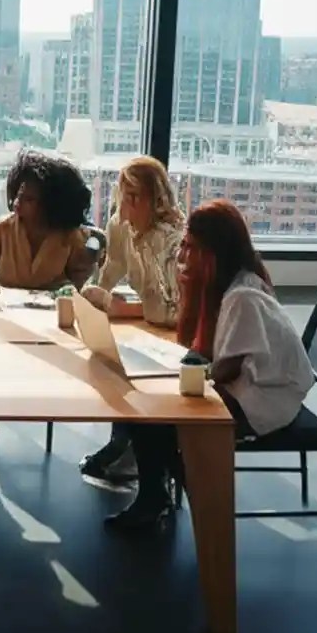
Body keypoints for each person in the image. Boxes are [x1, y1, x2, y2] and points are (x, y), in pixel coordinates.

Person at [104, 200, 314, 531]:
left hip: (264, 401)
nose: (183, 258)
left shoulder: (242, 297)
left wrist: (176, 380)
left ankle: (188, 502)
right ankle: (168, 491)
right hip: (250, 386)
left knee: (153, 414)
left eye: (192, 249)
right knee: (152, 406)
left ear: (216, 253)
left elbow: (226, 370)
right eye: (183, 247)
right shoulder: (229, 286)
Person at [0, 150, 95, 464]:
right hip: (4, 319)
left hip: (50, 327)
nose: (18, 204)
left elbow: (79, 289)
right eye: (17, 196)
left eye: (29, 199)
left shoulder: (72, 237)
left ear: (50, 203)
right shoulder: (3, 227)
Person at [78, 156, 185, 484]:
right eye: (123, 197)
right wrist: (92, 299)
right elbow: (110, 271)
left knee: (133, 369)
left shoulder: (172, 240)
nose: (125, 209)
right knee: (110, 358)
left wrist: (125, 310)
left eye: (135, 198)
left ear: (158, 199)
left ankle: (141, 457)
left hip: (177, 336)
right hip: (151, 325)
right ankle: (121, 443)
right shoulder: (120, 224)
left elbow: (174, 311)